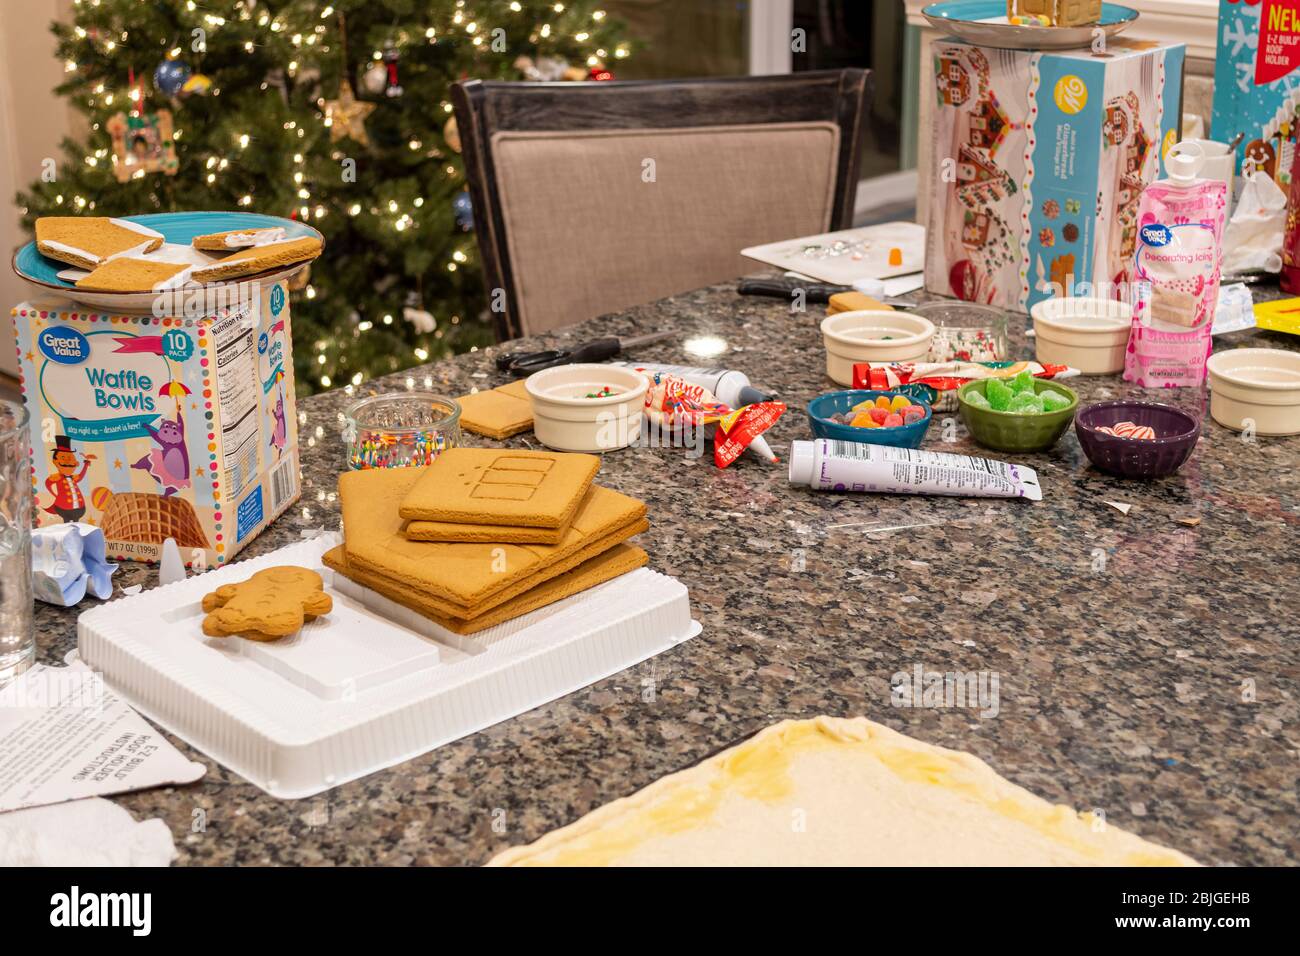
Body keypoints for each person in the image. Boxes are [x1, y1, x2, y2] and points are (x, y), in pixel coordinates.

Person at [44, 434, 95, 523]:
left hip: (79, 508)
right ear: (55, 461)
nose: (67, 461)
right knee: (66, 524)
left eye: (70, 457)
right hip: (63, 508)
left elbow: (81, 476)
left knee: (76, 523)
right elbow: (48, 484)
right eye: (63, 457)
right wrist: (55, 495)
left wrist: (86, 465)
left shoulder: (73, 478)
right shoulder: (57, 477)